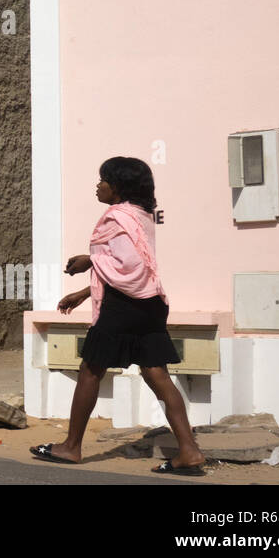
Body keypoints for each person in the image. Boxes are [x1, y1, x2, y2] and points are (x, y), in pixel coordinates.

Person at [30, 156, 206, 475]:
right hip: (149, 304)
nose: (98, 185)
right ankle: (189, 452)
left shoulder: (117, 215)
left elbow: (129, 267)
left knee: (90, 370)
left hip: (122, 308)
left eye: (103, 179)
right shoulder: (142, 215)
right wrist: (84, 293)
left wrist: (89, 261)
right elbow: (134, 269)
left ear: (118, 186)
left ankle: (71, 447)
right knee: (157, 375)